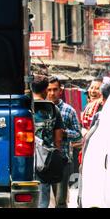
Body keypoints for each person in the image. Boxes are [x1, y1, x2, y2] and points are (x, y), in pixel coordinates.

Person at [46, 76, 82, 208]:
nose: (52, 93)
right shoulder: (40, 110)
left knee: (60, 199)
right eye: (49, 90)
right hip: (43, 162)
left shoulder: (69, 110)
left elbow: (78, 134)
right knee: (44, 200)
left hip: (62, 160)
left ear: (60, 91)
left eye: (55, 89)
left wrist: (64, 133)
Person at [31, 75, 64, 208]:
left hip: (23, 157)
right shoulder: (52, 109)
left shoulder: (24, 107)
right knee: (43, 198)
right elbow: (58, 138)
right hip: (44, 160)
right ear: (45, 90)